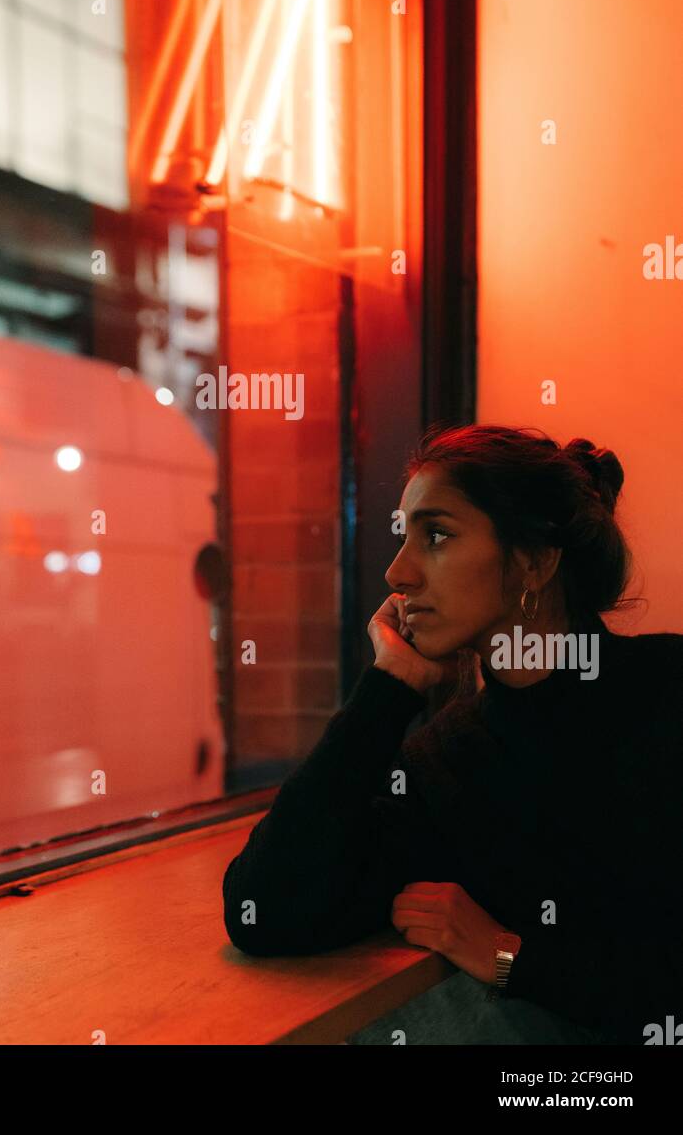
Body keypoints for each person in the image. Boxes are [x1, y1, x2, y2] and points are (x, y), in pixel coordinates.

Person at [222, 423, 683, 1045]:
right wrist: (390, 690)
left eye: (436, 536)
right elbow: (265, 912)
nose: (396, 573)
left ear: (534, 561)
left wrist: (509, 957)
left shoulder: (665, 691)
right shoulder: (447, 757)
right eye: (402, 537)